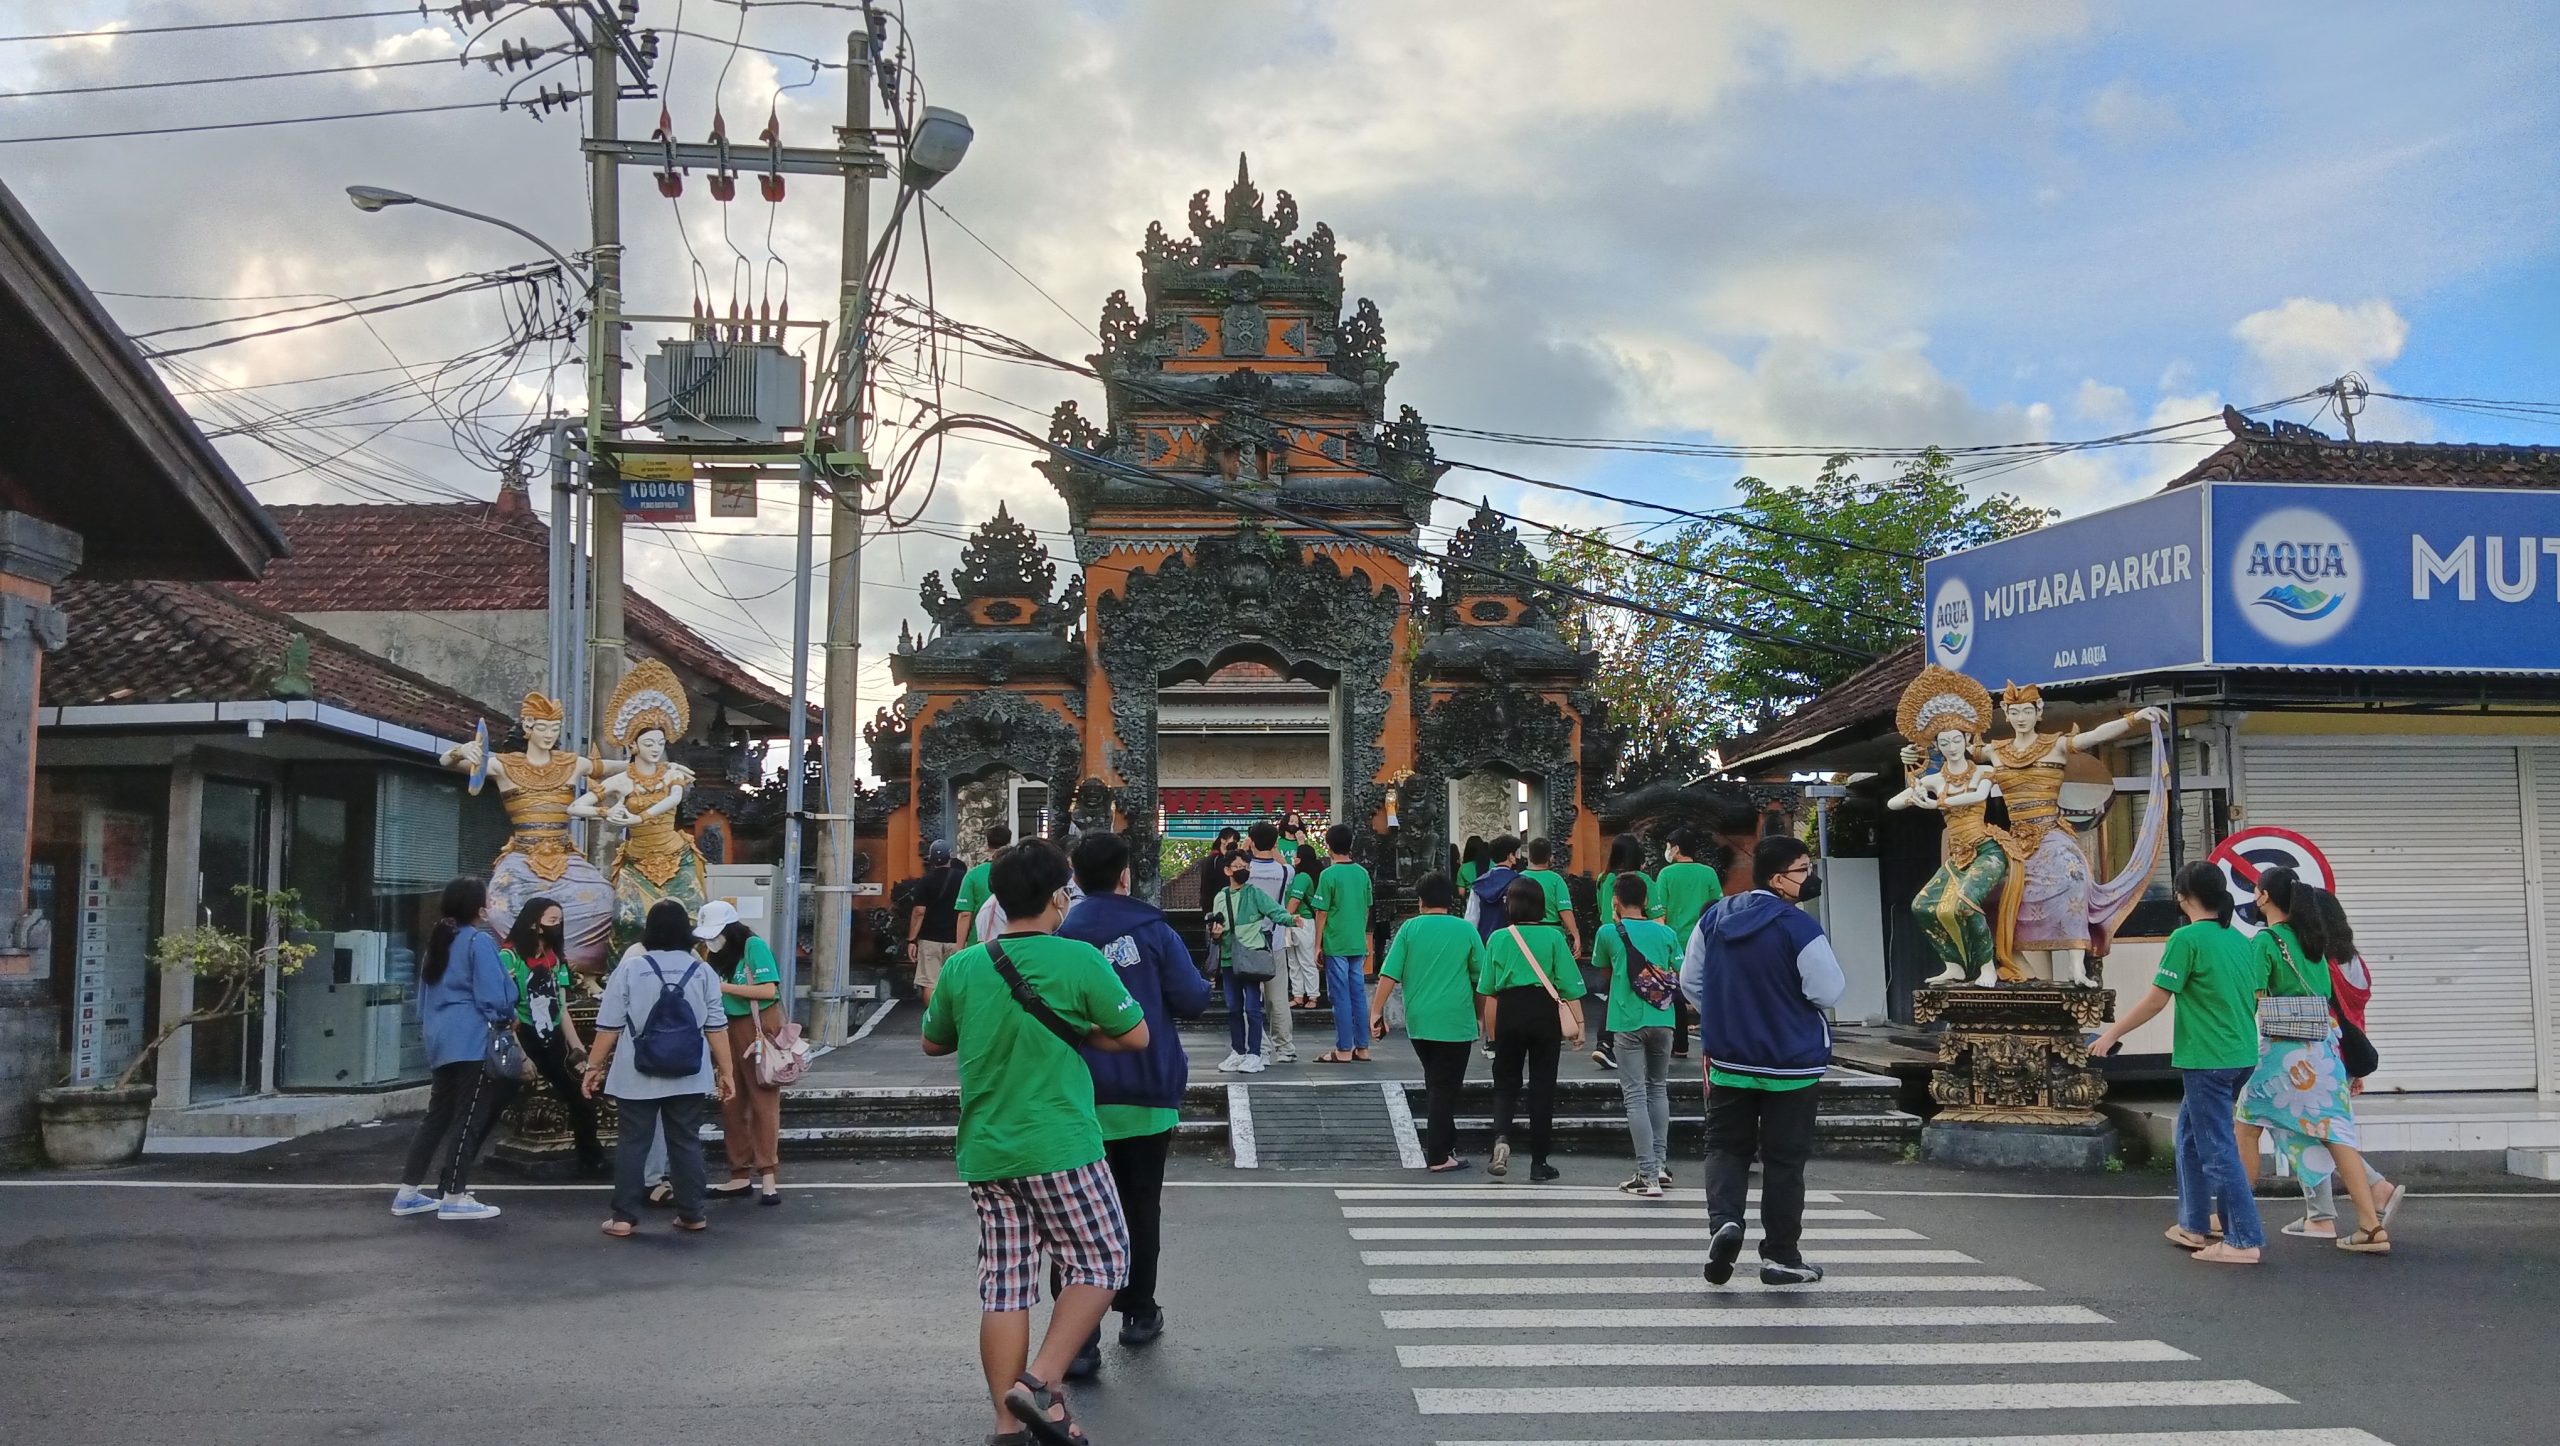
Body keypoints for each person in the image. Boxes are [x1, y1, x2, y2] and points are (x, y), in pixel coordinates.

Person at [920, 839, 1151, 1446]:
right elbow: (1135, 1036)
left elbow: (933, 1040)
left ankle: (1006, 1425)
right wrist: (1084, 1032)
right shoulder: (1078, 960)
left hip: (987, 1148)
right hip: (1061, 1143)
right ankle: (1040, 1383)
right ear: (1057, 896)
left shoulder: (965, 965)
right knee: (1105, 1259)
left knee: (1006, 1282)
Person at [1056, 831, 1209, 1371]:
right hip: (1146, 1086)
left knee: (1076, 1215)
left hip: (1077, 1095)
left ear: (1074, 877)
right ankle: (1139, 1312)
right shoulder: (1154, 931)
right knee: (1141, 1205)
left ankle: (1079, 1340)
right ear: (1126, 875)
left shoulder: (1060, 935)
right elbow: (1192, 999)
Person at [1683, 836, 1844, 1286]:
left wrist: (1728, 1014)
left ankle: (1726, 1222)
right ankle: (1780, 1256)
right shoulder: (1798, 927)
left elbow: (1691, 982)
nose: (1809, 878)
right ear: (1778, 880)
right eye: (1802, 870)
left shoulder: (1714, 918)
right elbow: (1827, 992)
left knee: (1726, 1148)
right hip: (1791, 1066)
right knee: (1784, 1162)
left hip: (1730, 1058)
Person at [2089, 861, 2267, 1264]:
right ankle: (2193, 1224)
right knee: (2188, 1134)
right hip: (2241, 1055)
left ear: (2183, 898)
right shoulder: (2241, 939)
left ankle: (2243, 1240)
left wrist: (2111, 1034)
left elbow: (2157, 997)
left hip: (2207, 1059)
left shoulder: (2186, 938)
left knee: (2217, 1149)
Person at [2234, 867, 2392, 1255]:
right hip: (2325, 1051)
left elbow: (2253, 998)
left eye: (2256, 891)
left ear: (2265, 897)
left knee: (2247, 1124)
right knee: (2338, 1135)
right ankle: (2371, 1227)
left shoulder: (2265, 941)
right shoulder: (2313, 943)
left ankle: (2236, 1219)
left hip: (2283, 1055)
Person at [581, 899, 737, 1237]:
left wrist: (592, 1068)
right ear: (687, 931)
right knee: (685, 1141)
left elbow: (608, 1027)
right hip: (689, 1073)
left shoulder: (631, 968)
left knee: (633, 1143)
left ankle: (623, 1218)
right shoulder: (703, 972)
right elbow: (716, 1028)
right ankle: (693, 1213)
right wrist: (726, 1073)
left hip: (635, 1073)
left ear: (648, 930)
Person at [392, 877, 520, 1221]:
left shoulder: (438, 942)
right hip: (472, 1040)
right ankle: (454, 1195)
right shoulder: (480, 940)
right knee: (469, 1119)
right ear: (479, 908)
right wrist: (509, 1006)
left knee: (437, 1116)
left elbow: (424, 997)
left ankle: (408, 1191)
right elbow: (496, 996)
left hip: (440, 1039)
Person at [2289, 887, 2403, 1240]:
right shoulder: (2355, 962)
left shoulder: (2321, 960)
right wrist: (2356, 1068)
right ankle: (2319, 1213)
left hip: (2321, 1056)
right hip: (2346, 1055)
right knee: (2317, 1130)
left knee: (2313, 1131)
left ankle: (2363, 1193)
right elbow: (2357, 1014)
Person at [1371, 874, 1486, 1172]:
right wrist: (1481, 1015)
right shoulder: (1466, 931)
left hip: (1420, 1021)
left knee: (1436, 1081)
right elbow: (1481, 980)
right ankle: (1438, 1154)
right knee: (1444, 1087)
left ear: (1420, 900)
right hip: (1456, 1020)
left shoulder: (1410, 929)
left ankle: (1445, 1143)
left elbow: (1389, 974)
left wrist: (1376, 1012)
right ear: (1451, 900)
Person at [1481, 874, 1586, 1182]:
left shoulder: (1499, 938)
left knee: (1505, 1082)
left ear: (1510, 905)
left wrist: (1492, 1035)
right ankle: (1539, 1162)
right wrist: (1579, 1026)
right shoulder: (1554, 937)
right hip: (1544, 1012)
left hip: (1509, 1010)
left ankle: (1501, 1138)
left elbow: (1489, 992)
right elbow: (1569, 987)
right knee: (1542, 1086)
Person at [494, 895, 604, 1172]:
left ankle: (591, 1160)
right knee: (496, 1098)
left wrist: (578, 1049)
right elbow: (503, 1008)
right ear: (534, 923)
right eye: (552, 920)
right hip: (523, 1034)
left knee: (581, 1095)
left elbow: (562, 1006)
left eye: (560, 921)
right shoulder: (509, 956)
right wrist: (519, 1053)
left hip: (552, 1036)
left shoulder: (556, 959)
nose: (557, 926)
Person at [1595, 872, 1680, 1196]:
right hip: (1663, 1017)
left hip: (1627, 1019)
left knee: (1634, 1095)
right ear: (1646, 901)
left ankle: (1647, 1175)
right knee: (1658, 1088)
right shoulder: (1667, 933)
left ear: (1615, 900)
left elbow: (1604, 971)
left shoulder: (1608, 932)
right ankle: (1659, 1163)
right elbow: (1678, 969)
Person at [697, 899, 784, 1205]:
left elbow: (768, 990)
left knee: (763, 1099)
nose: (711, 939)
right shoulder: (712, 955)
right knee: (731, 1099)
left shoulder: (753, 946)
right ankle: (739, 1174)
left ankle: (768, 1174)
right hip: (725, 1026)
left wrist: (722, 988)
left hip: (757, 1026)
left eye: (716, 933)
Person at [1205, 849, 1285, 1074]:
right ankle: (1238, 1051)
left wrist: (1290, 919)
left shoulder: (1255, 894)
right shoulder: (1221, 897)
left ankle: (1255, 1054)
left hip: (1251, 958)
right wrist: (1216, 933)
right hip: (1230, 958)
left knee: (1252, 1008)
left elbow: (1275, 911)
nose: (1243, 871)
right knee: (1233, 1007)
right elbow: (1215, 929)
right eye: (1239, 867)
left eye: (1246, 867)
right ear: (1227, 870)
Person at [1309, 824, 1378, 1064]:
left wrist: (1317, 945)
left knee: (1340, 997)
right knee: (1358, 994)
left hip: (1336, 942)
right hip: (1356, 942)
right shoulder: (1362, 873)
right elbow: (1367, 907)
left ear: (1328, 846)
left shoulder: (1328, 875)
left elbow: (1322, 913)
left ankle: (1344, 1048)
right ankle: (1363, 1047)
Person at [1591, 833, 1659, 1070]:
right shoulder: (1642, 880)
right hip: (1638, 938)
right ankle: (1623, 1043)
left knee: (1613, 991)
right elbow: (1658, 917)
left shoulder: (1604, 878)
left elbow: (1602, 910)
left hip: (1611, 938)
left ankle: (1604, 1043)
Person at [1657, 829, 1722, 1059]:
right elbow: (1717, 906)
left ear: (1675, 848)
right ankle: (1716, 1040)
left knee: (1676, 993)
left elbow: (1660, 912)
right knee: (1710, 990)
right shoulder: (1708, 873)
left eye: (1668, 846)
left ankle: (1680, 1044)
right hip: (1705, 940)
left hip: (1675, 941)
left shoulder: (1666, 875)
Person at [1242, 821, 1298, 1063]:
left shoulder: (1245, 872)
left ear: (1251, 841)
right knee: (1278, 999)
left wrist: (1247, 849)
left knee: (1251, 998)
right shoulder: (1285, 873)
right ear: (1275, 843)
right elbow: (1284, 864)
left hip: (1248, 943)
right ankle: (1285, 1048)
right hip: (1274, 941)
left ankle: (1259, 1047)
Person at [907, 838, 966, 1004]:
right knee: (955, 982)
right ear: (951, 857)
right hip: (956, 938)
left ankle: (932, 1020)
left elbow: (919, 912)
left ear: (931, 859)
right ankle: (953, 1020)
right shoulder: (963, 879)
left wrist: (912, 940)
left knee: (929, 982)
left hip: (930, 938)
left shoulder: (925, 881)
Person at [1520, 837, 1581, 959]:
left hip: (1523, 934)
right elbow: (1565, 911)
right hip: (1552, 933)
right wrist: (1576, 936)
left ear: (1529, 857)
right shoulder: (1556, 880)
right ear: (1550, 857)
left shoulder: (1519, 878)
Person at [1281, 843, 1324, 1010]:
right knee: (1294, 961)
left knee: (1305, 961)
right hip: (1295, 922)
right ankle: (1299, 995)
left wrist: (1283, 919)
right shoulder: (1302, 876)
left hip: (1302, 922)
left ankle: (1312, 996)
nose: (1294, 858)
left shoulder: (1302, 877)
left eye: (1297, 855)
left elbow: (1295, 900)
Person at [956, 824, 1011, 948]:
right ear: (1009, 843)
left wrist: (959, 949)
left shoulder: (973, 875)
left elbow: (965, 914)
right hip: (1013, 943)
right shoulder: (1022, 873)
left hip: (978, 944)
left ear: (987, 845)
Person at [1463, 835, 1523, 940]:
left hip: (1486, 941)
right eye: (1516, 853)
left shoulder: (1478, 885)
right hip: (1515, 940)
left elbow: (1471, 920)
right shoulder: (1521, 882)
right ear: (1510, 856)